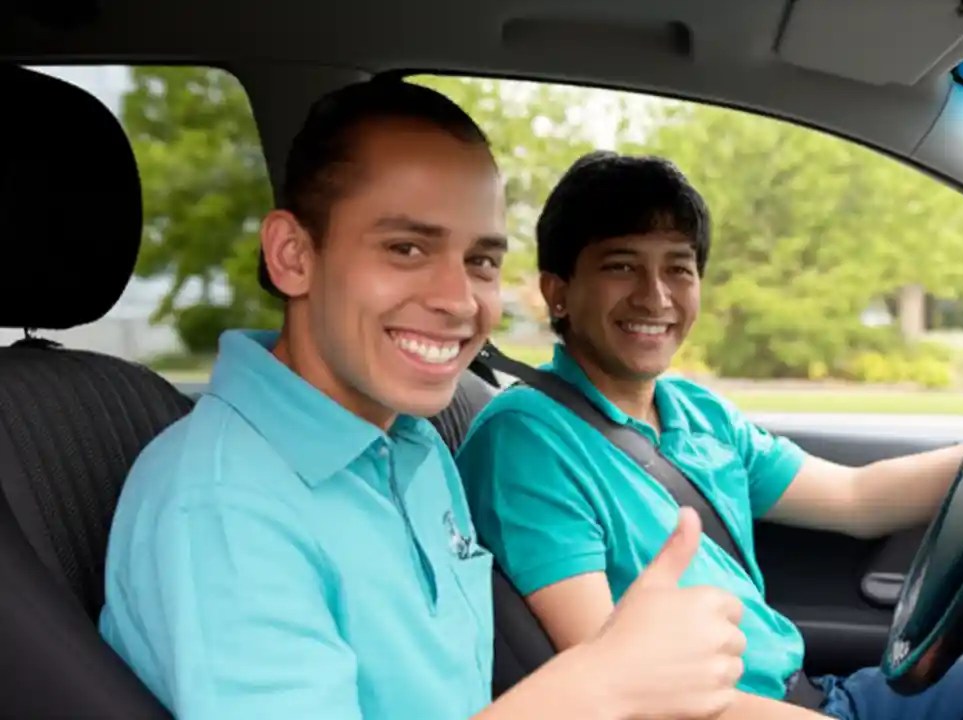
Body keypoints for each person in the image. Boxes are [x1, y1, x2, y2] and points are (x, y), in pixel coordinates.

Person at [98, 81, 752, 720]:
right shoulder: (223, 504)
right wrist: (602, 683)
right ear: (293, 256)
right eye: (407, 248)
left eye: (481, 261)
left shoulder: (411, 441)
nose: (459, 301)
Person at [456, 150, 963, 720]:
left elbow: (855, 497)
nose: (656, 296)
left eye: (678, 268)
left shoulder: (695, 410)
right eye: (621, 266)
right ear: (557, 291)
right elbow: (615, 681)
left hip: (812, 695)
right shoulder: (525, 443)